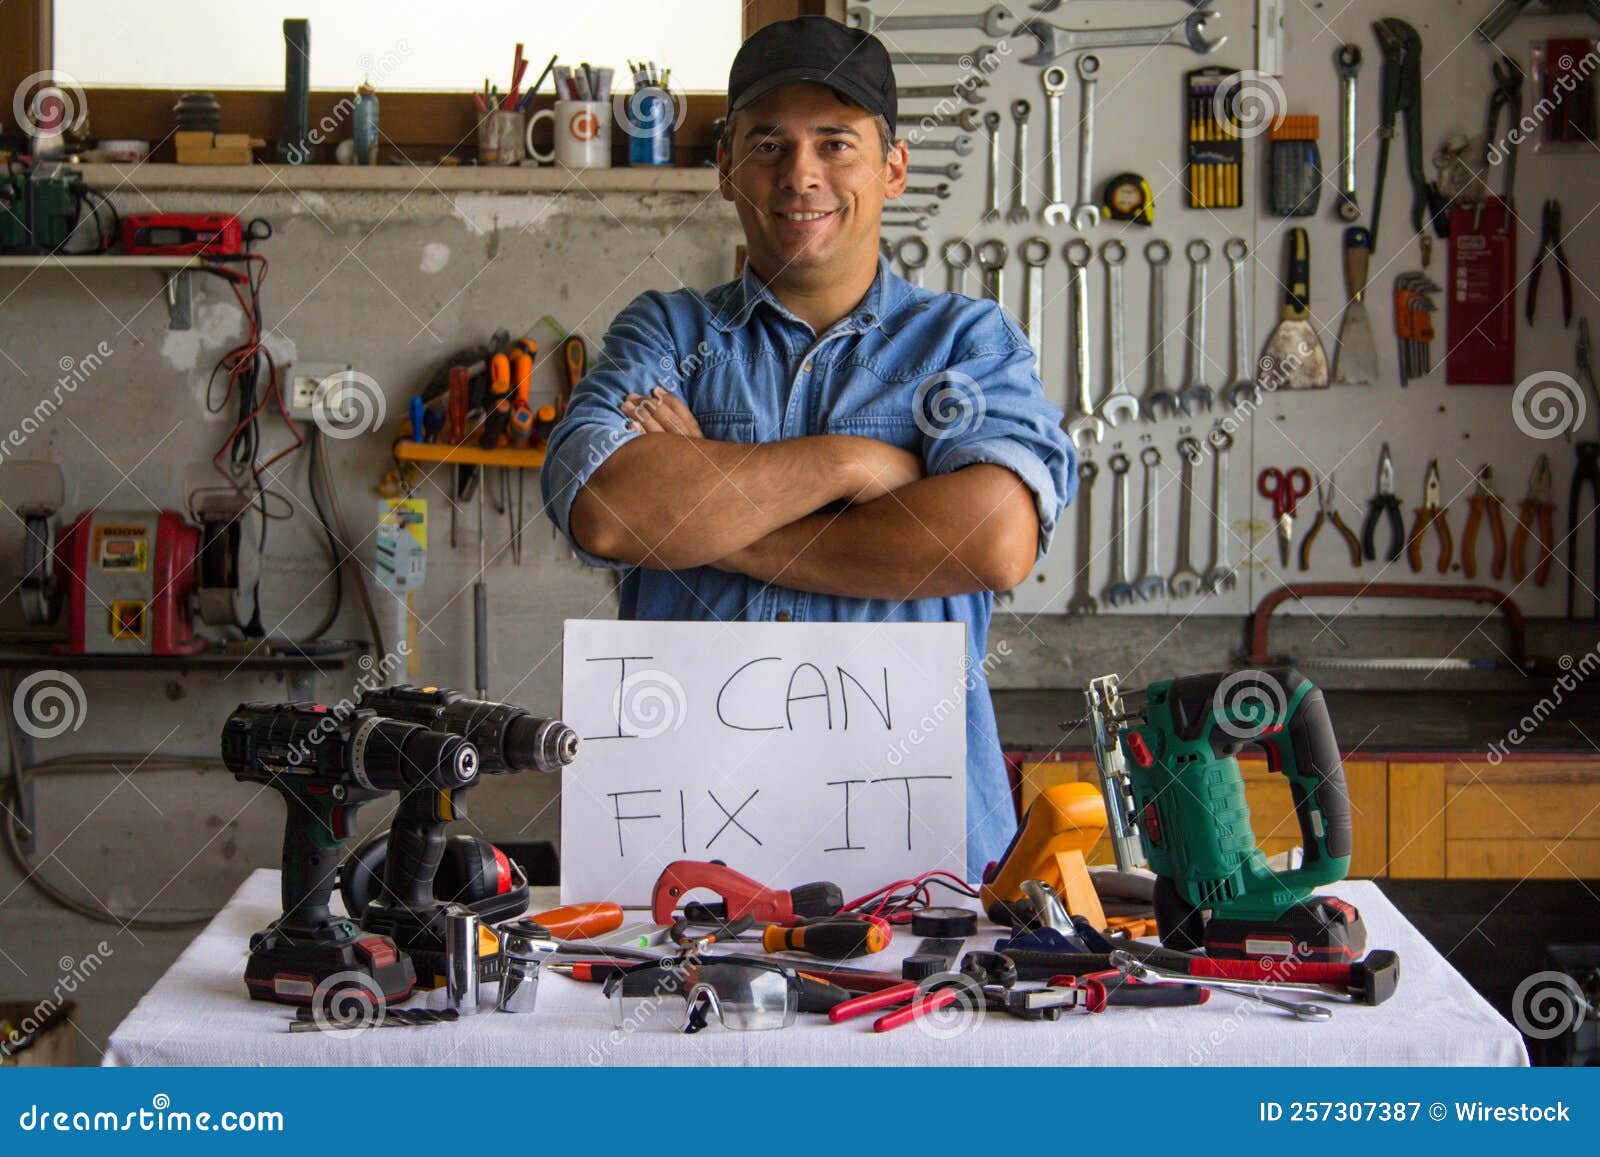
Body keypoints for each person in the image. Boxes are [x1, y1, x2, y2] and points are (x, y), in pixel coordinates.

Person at [541, 16, 1075, 881]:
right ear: (725, 168)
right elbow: (607, 509)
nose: (801, 175)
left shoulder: (967, 345)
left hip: (923, 864)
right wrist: (855, 464)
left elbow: (991, 539)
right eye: (768, 145)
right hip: (682, 856)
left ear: (893, 168)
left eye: (836, 143)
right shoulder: (667, 332)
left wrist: (718, 524)